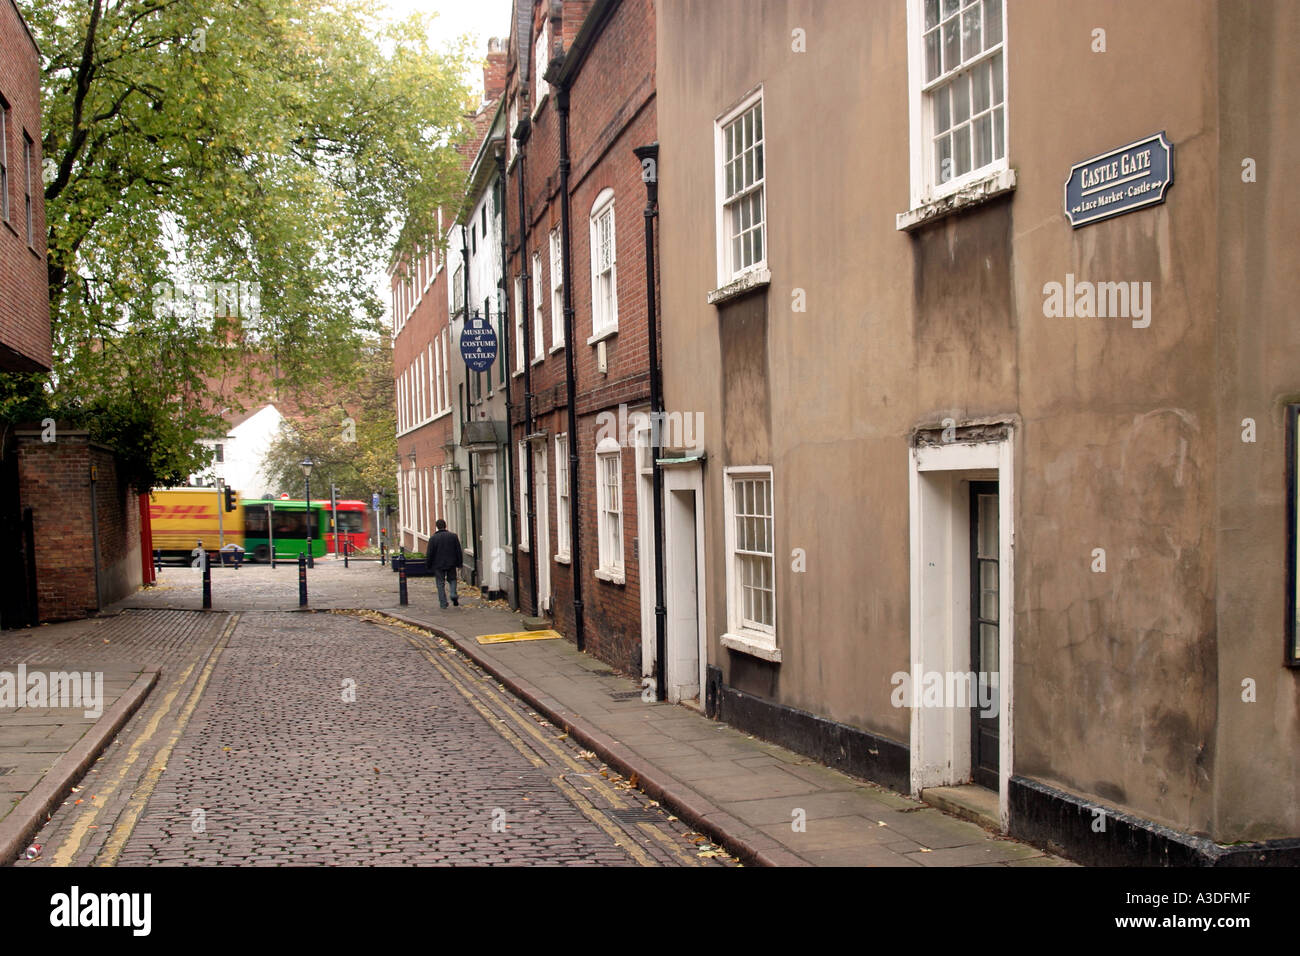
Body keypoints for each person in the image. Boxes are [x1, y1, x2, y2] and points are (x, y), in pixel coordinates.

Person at [428, 519, 463, 609]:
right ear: (445, 525)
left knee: (440, 583)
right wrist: (459, 563)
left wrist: (428, 565)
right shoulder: (453, 536)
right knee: (452, 579)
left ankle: (443, 603)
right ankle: (453, 594)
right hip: (451, 563)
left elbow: (430, 553)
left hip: (438, 564)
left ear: (437, 527)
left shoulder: (433, 539)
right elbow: (458, 550)